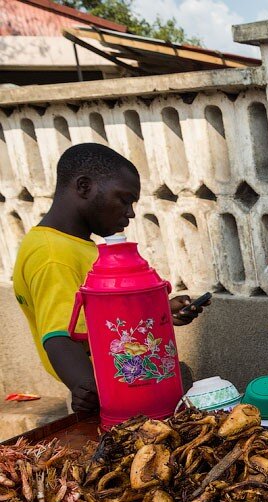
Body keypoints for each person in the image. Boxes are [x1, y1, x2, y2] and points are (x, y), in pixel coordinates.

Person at [12, 143, 206, 414]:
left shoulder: (69, 244)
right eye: (124, 200)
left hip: (115, 389)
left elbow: (95, 318)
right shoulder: (54, 254)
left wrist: (159, 313)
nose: (130, 213)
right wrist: (90, 391)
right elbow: (59, 336)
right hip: (109, 397)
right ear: (83, 187)